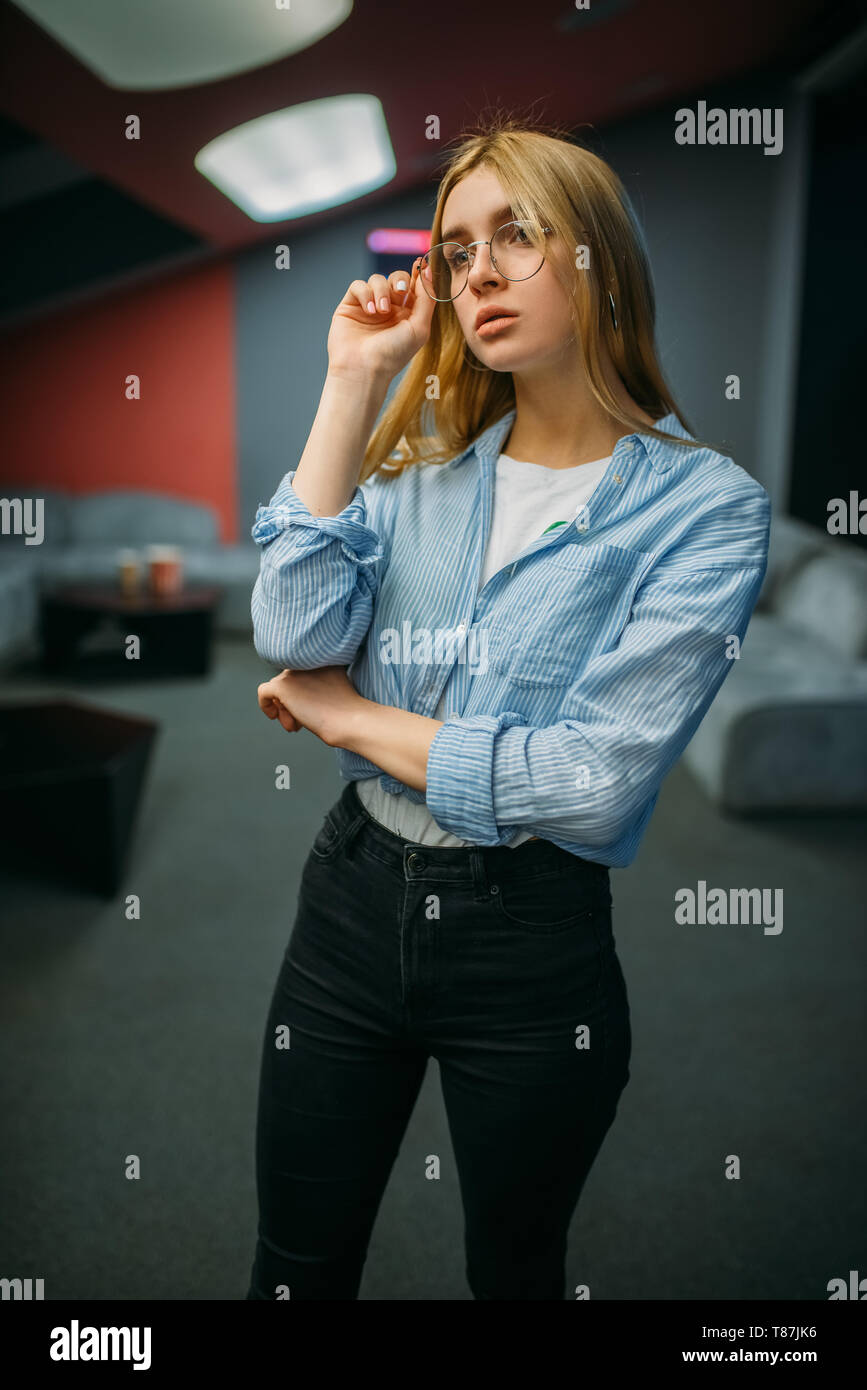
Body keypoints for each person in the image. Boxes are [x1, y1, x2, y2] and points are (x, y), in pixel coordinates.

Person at [244, 120, 770, 1300]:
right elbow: (293, 631)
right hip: (350, 899)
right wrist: (350, 381)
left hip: (531, 937)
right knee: (295, 1265)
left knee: (517, 1273)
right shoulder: (422, 474)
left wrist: (346, 720)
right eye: (457, 246)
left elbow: (590, 781)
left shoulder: (705, 509)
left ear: (600, 260)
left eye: (516, 235)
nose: (475, 270)